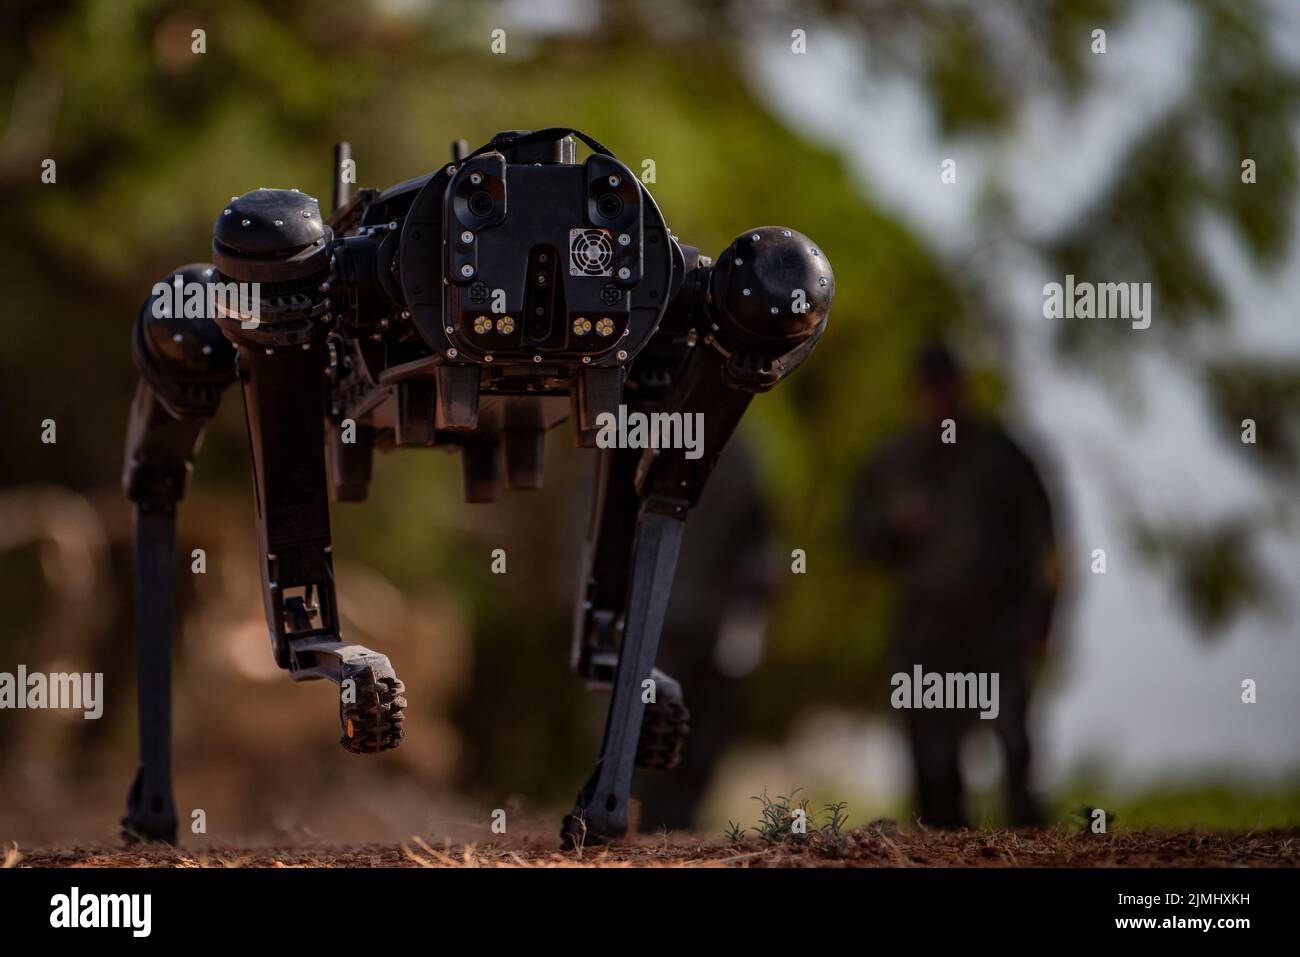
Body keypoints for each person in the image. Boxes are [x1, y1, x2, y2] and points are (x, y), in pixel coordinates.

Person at [850, 343, 1059, 828]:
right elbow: (859, 536)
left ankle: (1030, 846)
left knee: (1013, 741)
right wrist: (895, 528)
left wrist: (1043, 618)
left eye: (947, 387)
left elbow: (1043, 543)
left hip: (998, 626)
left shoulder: (1001, 455)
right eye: (931, 390)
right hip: (927, 628)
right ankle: (944, 847)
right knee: (932, 753)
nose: (940, 400)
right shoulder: (895, 460)